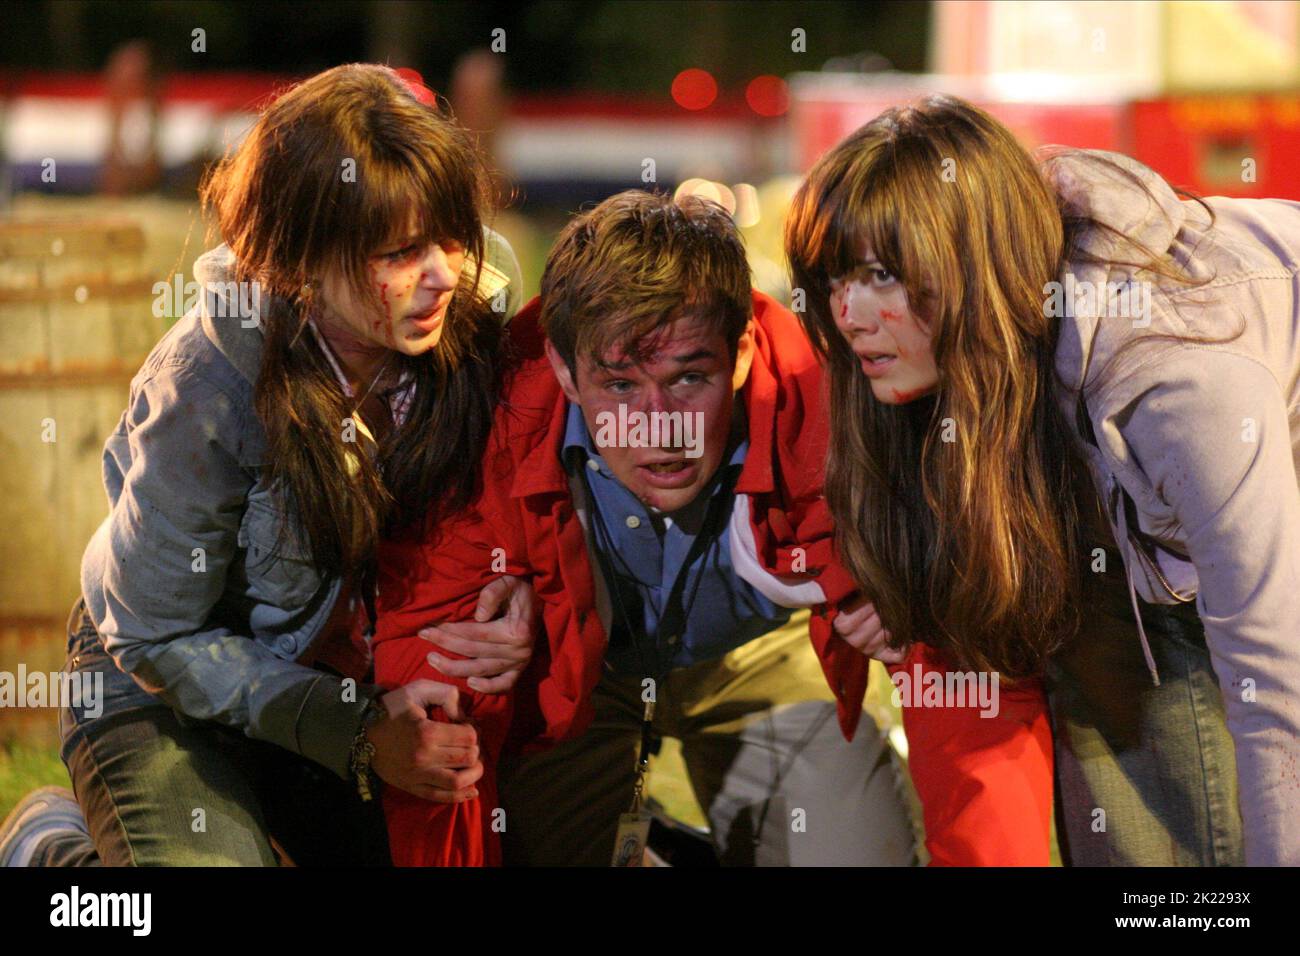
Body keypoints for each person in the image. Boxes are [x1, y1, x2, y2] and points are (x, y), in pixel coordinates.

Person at [374, 190, 1055, 867]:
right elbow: (424, 663)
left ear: (742, 354)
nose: (657, 424)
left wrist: (905, 596)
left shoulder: (830, 406)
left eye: (688, 377)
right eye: (619, 386)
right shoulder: (492, 416)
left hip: (759, 659)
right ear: (562, 370)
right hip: (577, 667)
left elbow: (972, 671)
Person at [0, 63, 529, 867]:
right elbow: (155, 634)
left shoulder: (476, 314)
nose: (444, 274)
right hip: (162, 686)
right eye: (400, 251)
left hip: (345, 686)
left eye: (453, 237)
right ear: (300, 260)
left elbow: (530, 492)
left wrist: (519, 593)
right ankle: (54, 859)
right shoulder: (210, 384)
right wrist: (356, 732)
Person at [784, 94, 1300, 866]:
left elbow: (1276, 677)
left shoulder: (1171, 383)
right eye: (836, 278)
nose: (848, 312)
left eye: (884, 275)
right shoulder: (977, 341)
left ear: (972, 263)